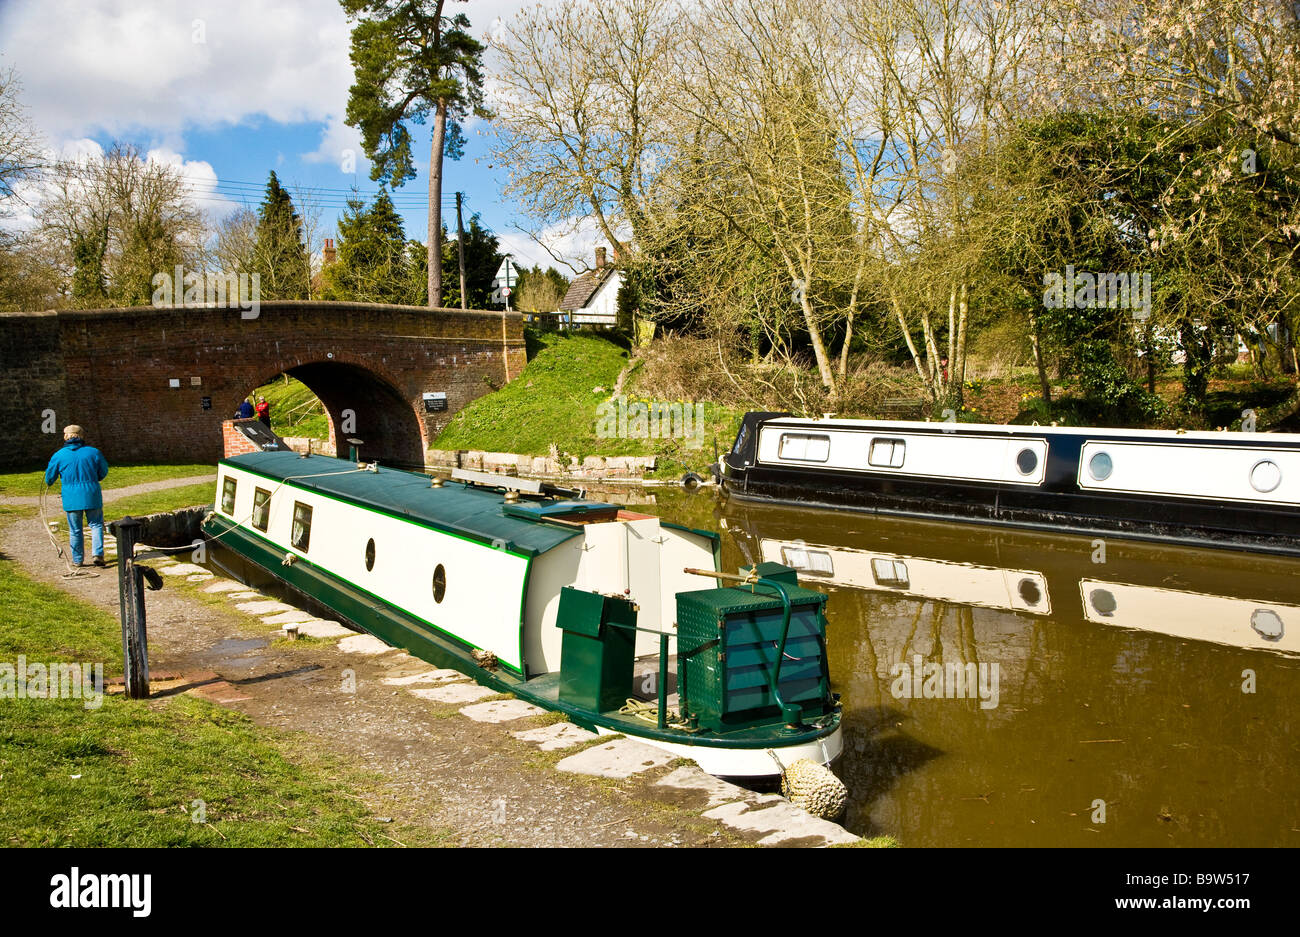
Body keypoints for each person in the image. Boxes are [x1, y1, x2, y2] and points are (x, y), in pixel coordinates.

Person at [44, 425, 109, 568]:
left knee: (75, 529)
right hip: (92, 493)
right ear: (82, 436)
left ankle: (78, 560)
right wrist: (94, 477)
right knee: (96, 524)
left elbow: (49, 478)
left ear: (65, 436)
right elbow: (103, 471)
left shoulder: (59, 455)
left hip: (71, 497)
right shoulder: (94, 452)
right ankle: (98, 554)